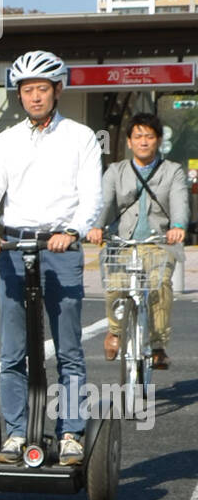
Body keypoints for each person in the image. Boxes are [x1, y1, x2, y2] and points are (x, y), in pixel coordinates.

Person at [0, 50, 103, 465]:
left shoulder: (80, 136)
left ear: (57, 90)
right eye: (27, 90)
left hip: (60, 248)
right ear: (19, 94)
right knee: (13, 351)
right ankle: (14, 434)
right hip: (13, 249)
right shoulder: (5, 140)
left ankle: (70, 433)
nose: (34, 97)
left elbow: (92, 195)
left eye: (42, 89)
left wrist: (73, 231)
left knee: (68, 349)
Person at [88, 111, 188, 369]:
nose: (144, 141)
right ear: (129, 142)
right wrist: (96, 227)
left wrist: (178, 226)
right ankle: (115, 330)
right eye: (138, 136)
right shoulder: (115, 171)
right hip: (122, 243)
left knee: (159, 285)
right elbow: (103, 202)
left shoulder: (173, 171)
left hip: (160, 242)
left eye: (150, 136)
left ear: (158, 141)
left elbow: (180, 202)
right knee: (116, 284)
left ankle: (157, 345)